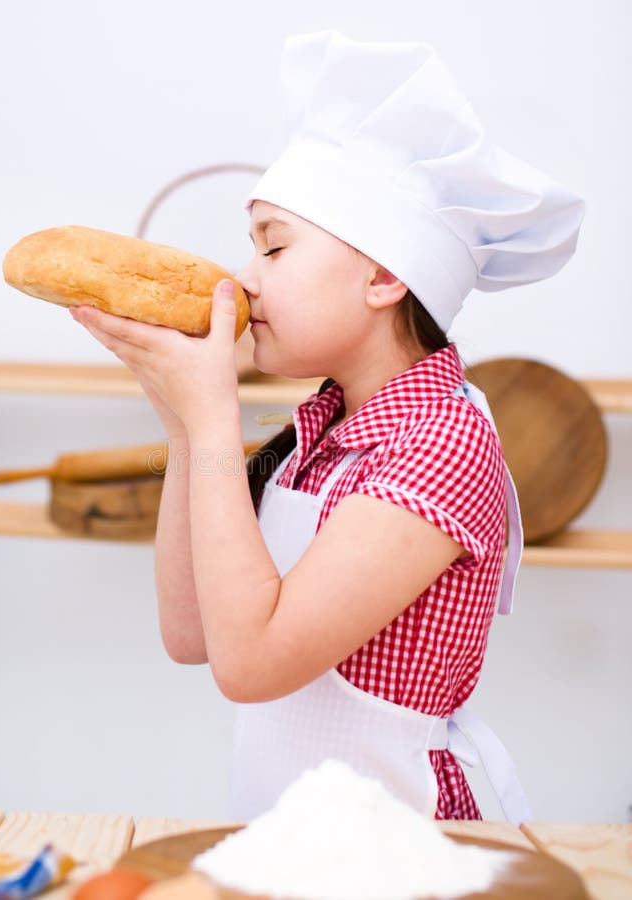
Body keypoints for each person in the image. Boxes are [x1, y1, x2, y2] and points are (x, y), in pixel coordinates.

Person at [70, 31, 584, 822]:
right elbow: (191, 635)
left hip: (403, 847)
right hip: (290, 841)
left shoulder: (441, 443)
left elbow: (251, 667)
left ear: (383, 275)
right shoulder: (317, 437)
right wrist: (184, 426)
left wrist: (214, 418)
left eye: (274, 247)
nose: (243, 279)